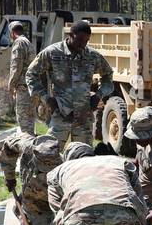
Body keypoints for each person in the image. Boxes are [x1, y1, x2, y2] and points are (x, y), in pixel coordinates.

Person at [25, 20, 114, 148]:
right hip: (60, 113)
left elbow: (108, 75)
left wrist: (98, 95)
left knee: (83, 158)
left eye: (87, 41)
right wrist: (46, 98)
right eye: (80, 40)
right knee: (50, 154)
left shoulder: (92, 56)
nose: (83, 45)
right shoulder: (52, 53)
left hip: (84, 117)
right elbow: (31, 74)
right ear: (71, 35)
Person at [7, 22, 37, 134]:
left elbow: (16, 66)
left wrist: (11, 85)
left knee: (24, 120)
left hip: (23, 87)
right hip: (31, 86)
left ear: (12, 33)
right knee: (30, 120)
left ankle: (27, 147)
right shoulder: (28, 43)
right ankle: (31, 144)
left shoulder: (18, 43)